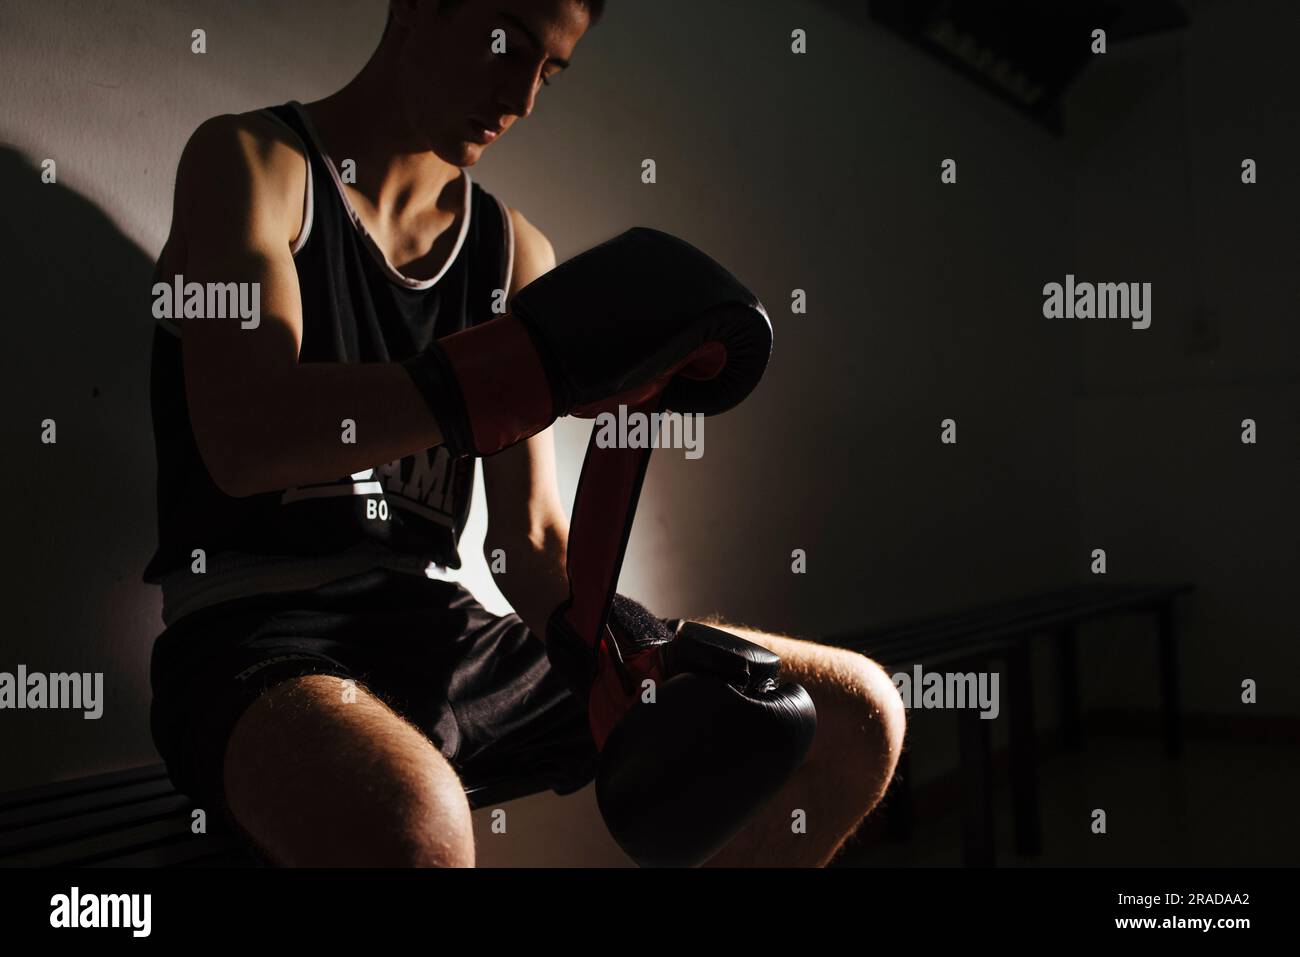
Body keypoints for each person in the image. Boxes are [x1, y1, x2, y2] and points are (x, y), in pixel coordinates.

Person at [144, 0, 906, 867]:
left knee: (852, 716)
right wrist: (507, 375)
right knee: (416, 825)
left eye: (549, 71)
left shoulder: (512, 253)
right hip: (253, 634)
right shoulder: (251, 163)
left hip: (438, 628)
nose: (523, 99)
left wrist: (618, 646)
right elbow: (246, 440)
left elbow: (528, 541)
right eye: (508, 47)